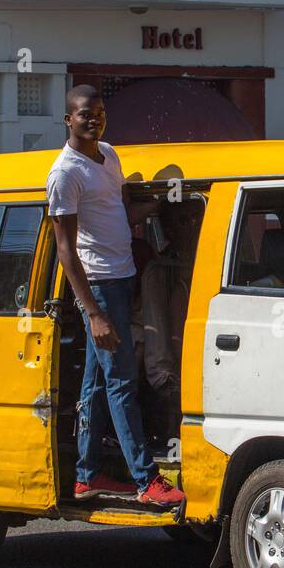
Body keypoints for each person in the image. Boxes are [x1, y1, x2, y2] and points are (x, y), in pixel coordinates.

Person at [47, 85, 185, 507]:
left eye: (100, 112)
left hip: (124, 277)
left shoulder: (109, 154)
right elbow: (65, 251)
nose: (95, 119)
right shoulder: (64, 173)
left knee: (95, 384)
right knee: (122, 382)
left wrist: (162, 204)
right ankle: (146, 480)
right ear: (68, 119)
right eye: (86, 114)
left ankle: (87, 477)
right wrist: (93, 313)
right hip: (100, 287)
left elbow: (120, 213)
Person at [141, 200, 203, 442]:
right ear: (168, 229)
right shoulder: (162, 272)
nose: (193, 226)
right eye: (183, 221)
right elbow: (172, 340)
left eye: (197, 218)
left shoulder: (218, 256)